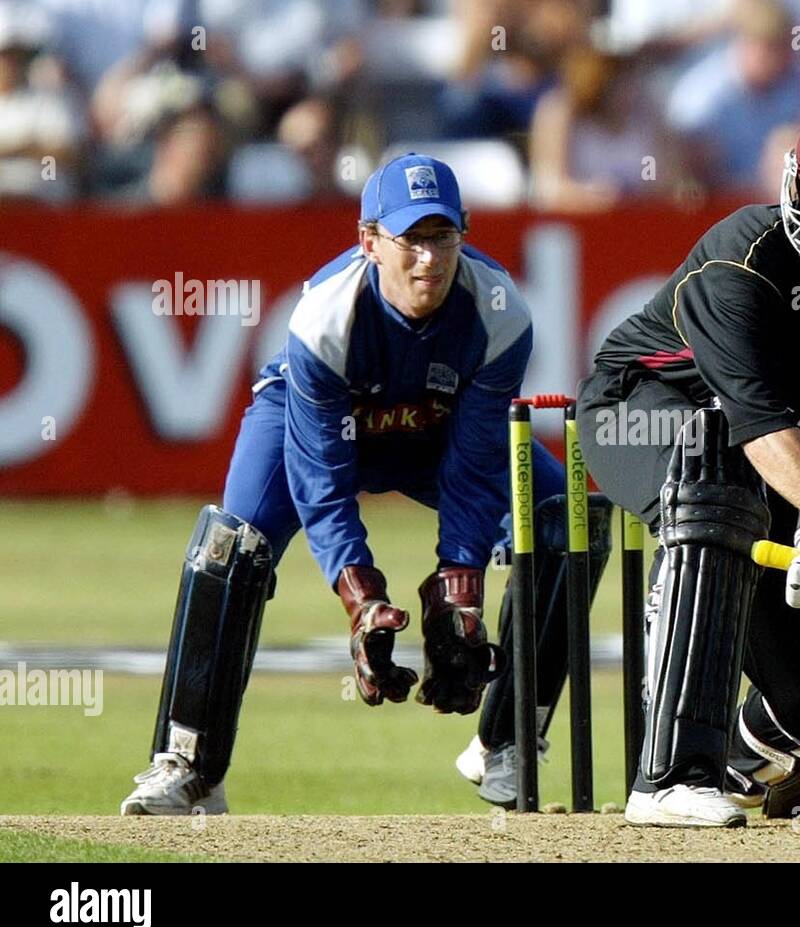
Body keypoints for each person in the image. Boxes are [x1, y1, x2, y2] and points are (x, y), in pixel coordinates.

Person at [120, 152, 566, 815]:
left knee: (562, 518)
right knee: (229, 548)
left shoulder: (501, 314)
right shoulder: (324, 318)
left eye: (442, 237)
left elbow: (473, 470)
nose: (429, 259)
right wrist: (361, 598)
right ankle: (189, 766)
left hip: (431, 435)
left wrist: (458, 592)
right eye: (410, 239)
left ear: (463, 236)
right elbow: (323, 483)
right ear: (369, 242)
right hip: (321, 430)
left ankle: (507, 745)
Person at [577, 100, 800, 827]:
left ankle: (760, 765)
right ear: (798, 186)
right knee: (712, 488)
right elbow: (753, 419)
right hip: (634, 413)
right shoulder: (742, 257)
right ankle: (671, 778)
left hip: (777, 466)